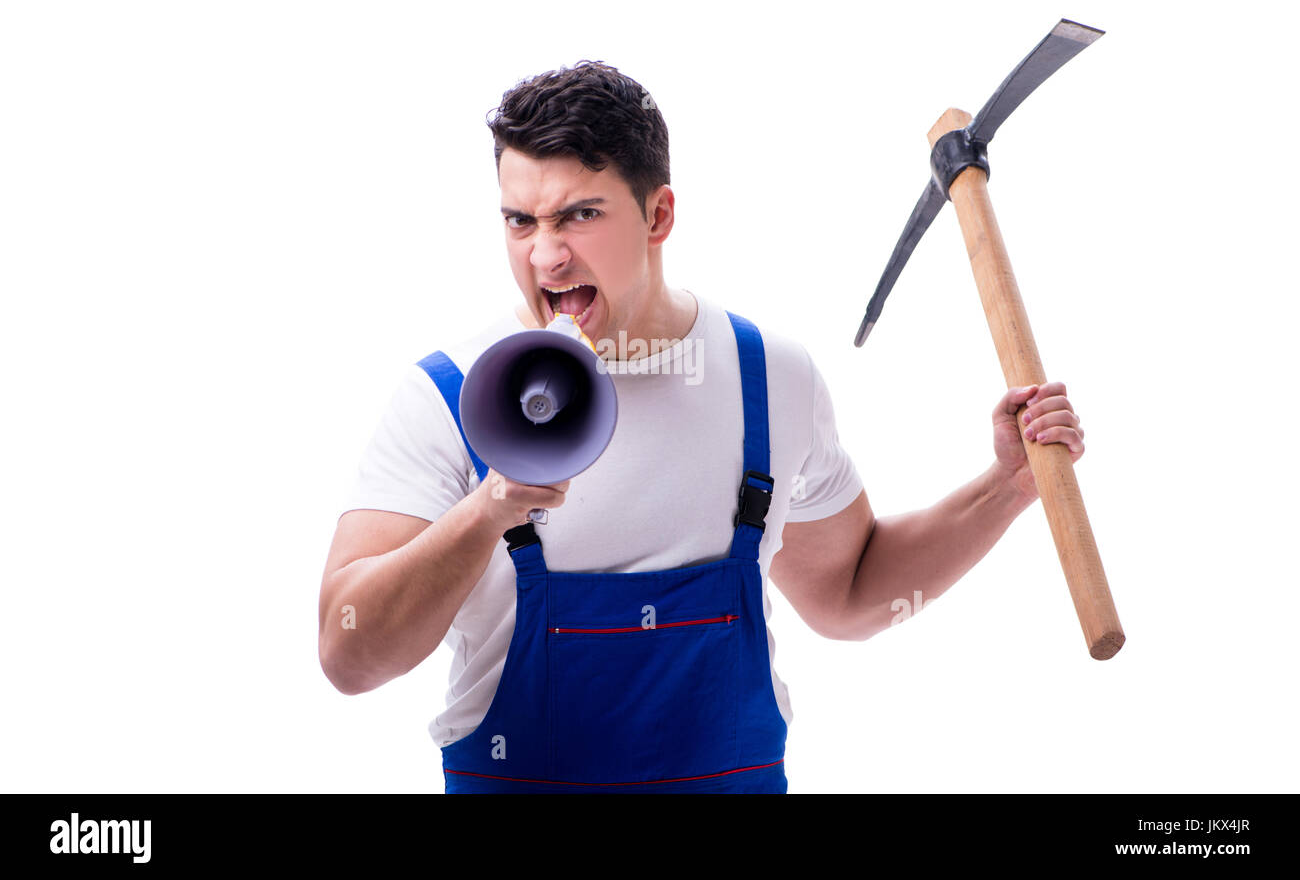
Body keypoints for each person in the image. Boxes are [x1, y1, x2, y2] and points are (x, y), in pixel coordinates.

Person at [316, 60, 1085, 793]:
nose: (545, 256)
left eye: (580, 215)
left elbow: (851, 593)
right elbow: (348, 656)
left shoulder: (768, 379)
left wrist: (1008, 487)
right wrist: (487, 510)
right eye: (521, 221)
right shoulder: (452, 396)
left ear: (659, 215)